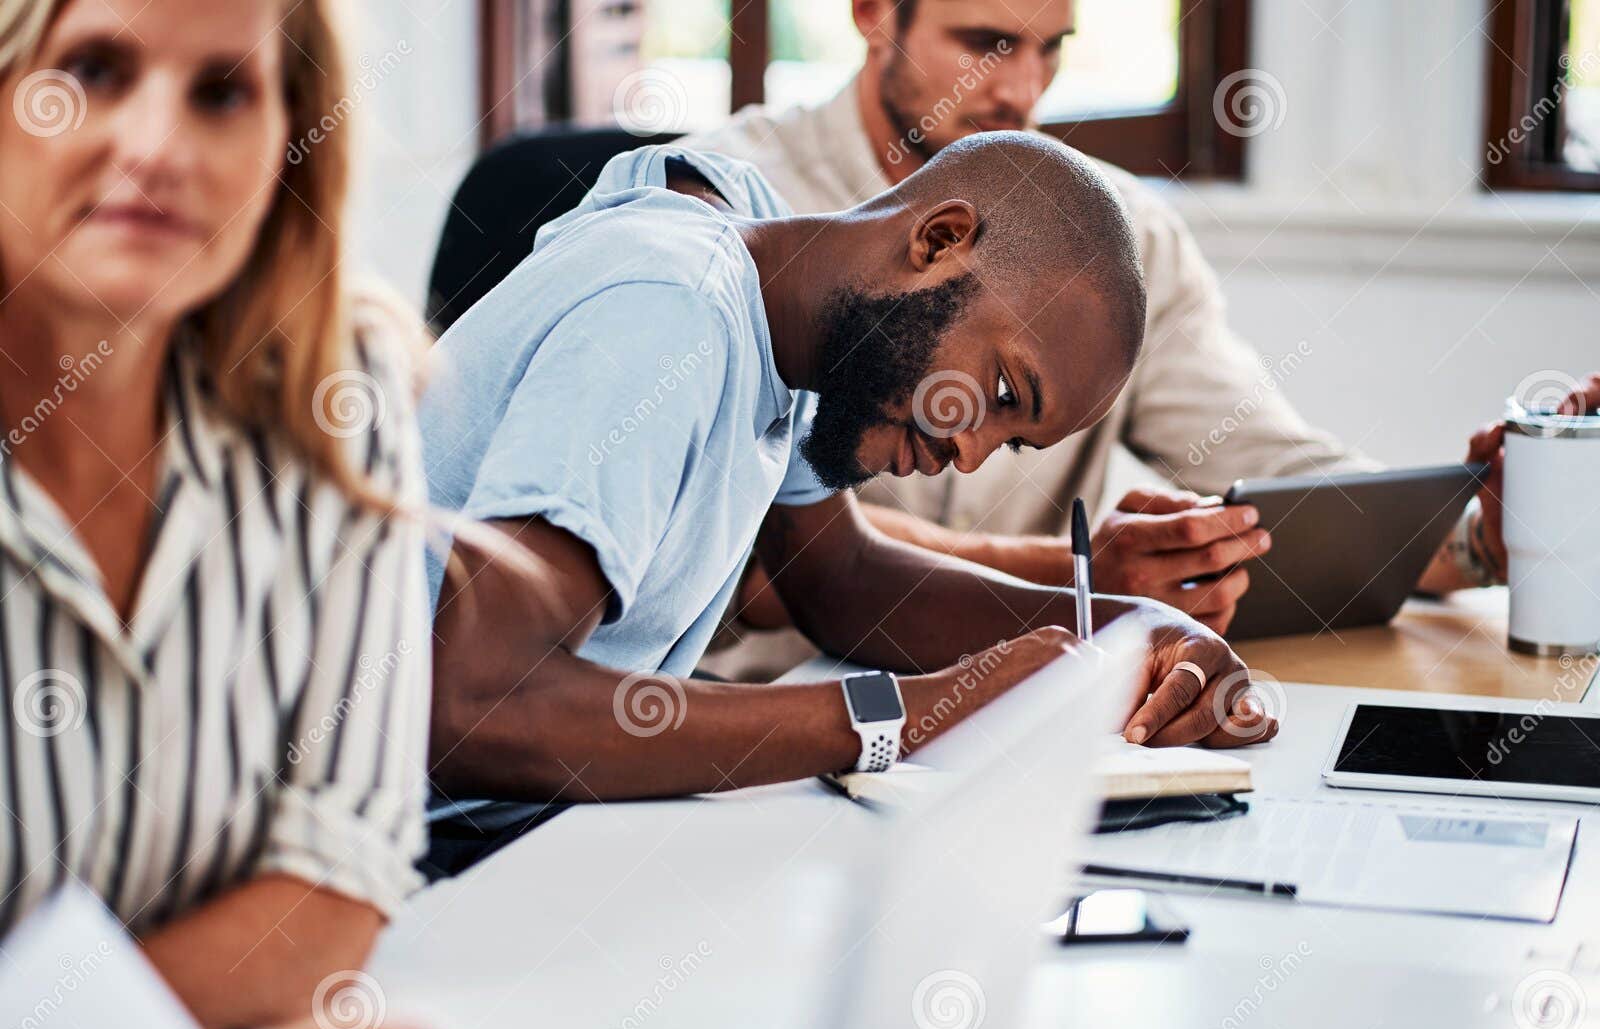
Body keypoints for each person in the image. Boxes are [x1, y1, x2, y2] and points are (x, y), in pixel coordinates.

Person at [423, 132, 1280, 806]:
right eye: (1002, 389)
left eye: (1012, 441)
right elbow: (483, 703)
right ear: (940, 240)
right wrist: (898, 717)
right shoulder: (673, 313)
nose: (970, 448)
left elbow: (842, 578)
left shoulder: (772, 262)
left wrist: (1139, 630)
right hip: (395, 845)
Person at [680, 0, 1526, 677]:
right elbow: (760, 544)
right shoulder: (729, 214)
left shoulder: (1117, 246)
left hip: (1026, 706)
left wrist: (1481, 533)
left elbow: (1275, 474)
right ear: (872, 12)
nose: (1019, 88)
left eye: (1050, 49)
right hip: (758, 713)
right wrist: (1075, 578)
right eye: (985, 42)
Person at [0, 0, 432, 1029]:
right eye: (94, 70)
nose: (158, 148)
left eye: (223, 92)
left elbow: (339, 874)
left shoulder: (339, 399)